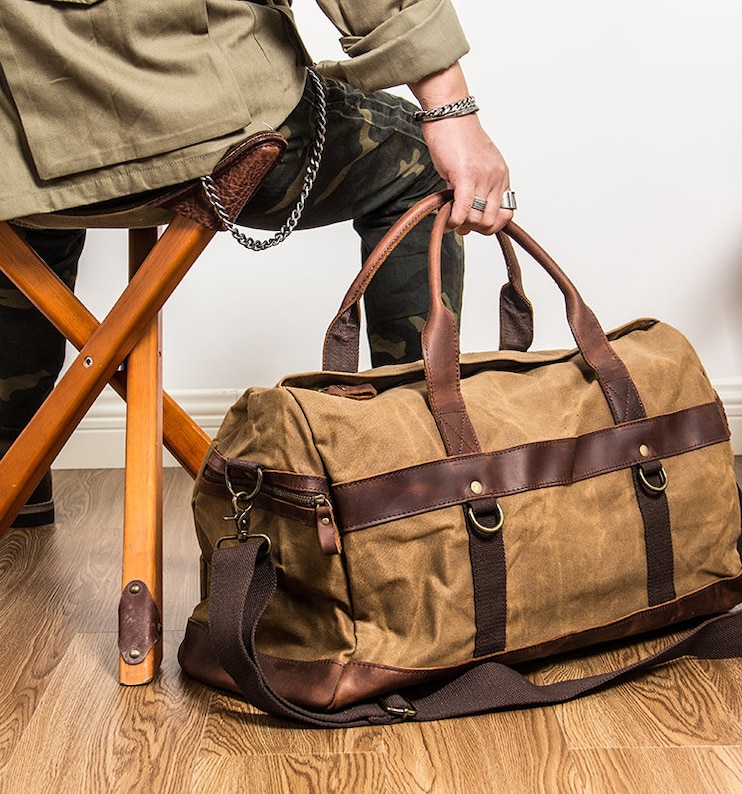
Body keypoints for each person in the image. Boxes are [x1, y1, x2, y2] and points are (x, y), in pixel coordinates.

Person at [0, 0, 514, 527]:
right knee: (424, 165)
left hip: (23, 142)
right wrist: (448, 105)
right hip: (197, 122)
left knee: (24, 214)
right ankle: (410, 479)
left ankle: (14, 469)